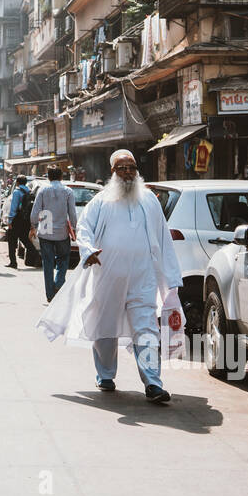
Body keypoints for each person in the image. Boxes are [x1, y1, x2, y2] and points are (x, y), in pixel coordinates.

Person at [37, 150, 183, 404]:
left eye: (131, 168)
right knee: (105, 327)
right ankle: (105, 375)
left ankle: (153, 383)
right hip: (107, 274)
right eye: (122, 168)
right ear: (112, 172)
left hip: (142, 276)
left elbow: (163, 238)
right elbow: (84, 228)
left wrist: (171, 275)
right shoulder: (101, 201)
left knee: (146, 327)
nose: (127, 172)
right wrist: (88, 250)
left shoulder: (149, 200)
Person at [31, 166, 78, 302]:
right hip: (62, 232)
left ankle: (50, 295)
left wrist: (33, 226)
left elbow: (35, 211)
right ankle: (58, 284)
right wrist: (75, 228)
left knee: (48, 262)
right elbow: (72, 213)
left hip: (45, 231)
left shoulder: (43, 190)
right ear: (61, 177)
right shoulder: (68, 191)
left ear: (48, 176)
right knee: (63, 259)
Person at [4, 176, 35, 269]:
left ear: (17, 182)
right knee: (25, 239)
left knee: (11, 240)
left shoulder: (17, 192)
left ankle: (13, 262)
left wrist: (10, 220)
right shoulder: (29, 192)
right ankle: (36, 256)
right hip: (26, 220)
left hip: (17, 219)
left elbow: (14, 208)